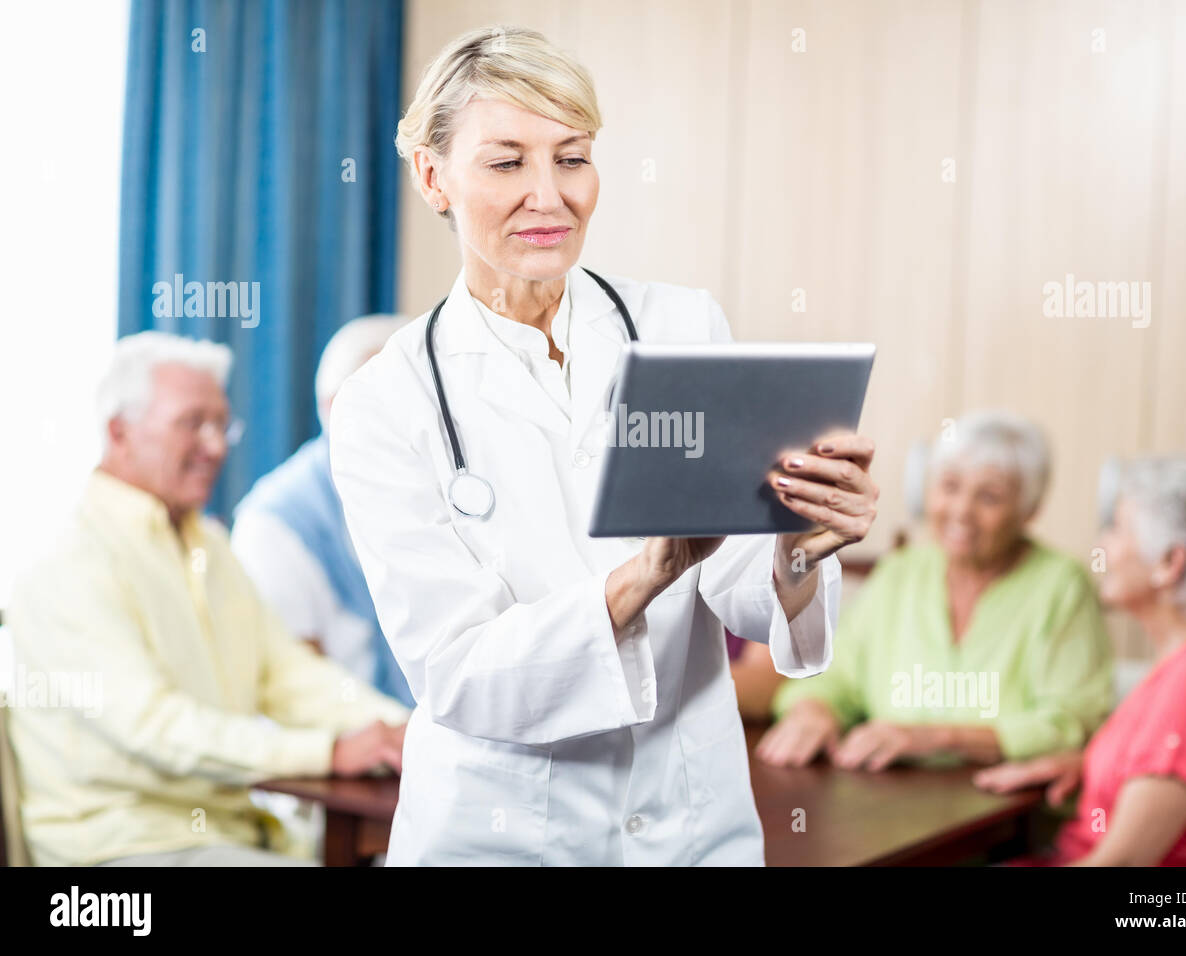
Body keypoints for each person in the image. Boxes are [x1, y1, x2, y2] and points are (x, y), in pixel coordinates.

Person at [328, 25, 879, 866]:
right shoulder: (384, 403)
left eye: (573, 157)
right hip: (497, 837)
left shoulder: (678, 327)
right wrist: (644, 575)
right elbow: (460, 674)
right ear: (433, 177)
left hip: (692, 822)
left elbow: (741, 586)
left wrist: (796, 547)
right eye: (507, 162)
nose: (548, 196)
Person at [5, 332, 410, 867]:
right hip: (120, 855)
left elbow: (287, 676)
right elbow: (156, 727)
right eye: (191, 423)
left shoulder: (210, 547)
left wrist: (404, 731)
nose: (215, 446)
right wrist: (329, 750)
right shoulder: (68, 565)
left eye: (222, 424)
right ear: (118, 432)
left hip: (237, 839)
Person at [758, 411, 1112, 770]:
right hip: (890, 801)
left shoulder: (1062, 585)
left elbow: (1072, 722)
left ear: (1028, 510)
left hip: (1008, 808)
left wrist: (935, 739)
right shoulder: (901, 572)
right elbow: (834, 677)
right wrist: (814, 712)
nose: (961, 511)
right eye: (950, 487)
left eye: (989, 497)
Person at [974, 457, 1186, 866]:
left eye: (1117, 529)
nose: (1100, 546)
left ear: (1170, 564)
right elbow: (1169, 769)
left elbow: (1121, 865)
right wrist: (1089, 765)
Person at [233, 314, 415, 707]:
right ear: (333, 409)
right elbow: (296, 689)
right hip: (357, 751)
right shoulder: (273, 522)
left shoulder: (431, 491)